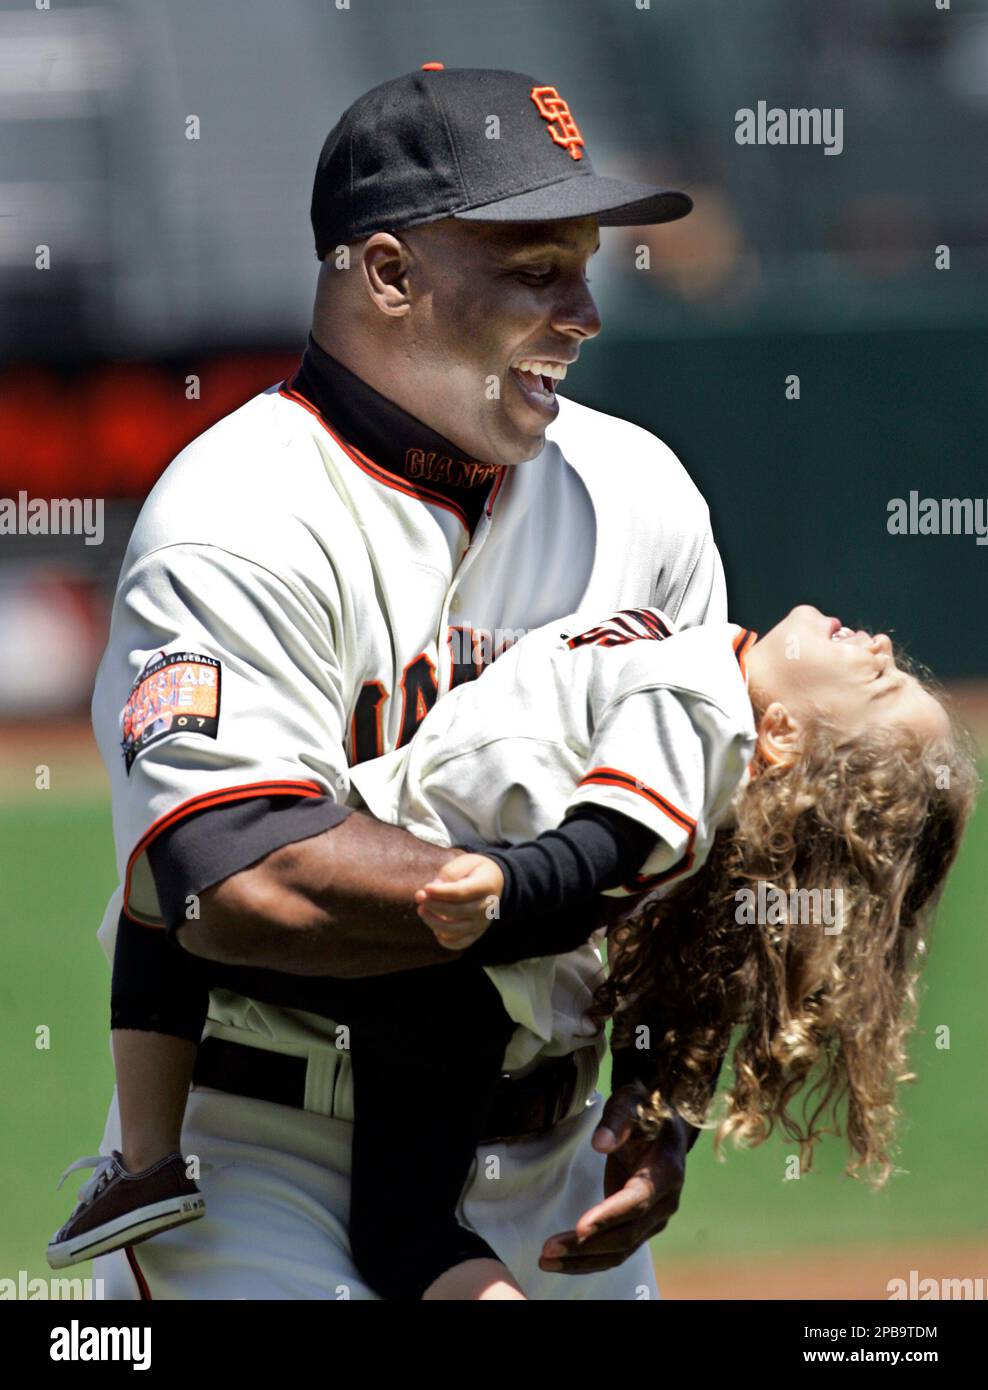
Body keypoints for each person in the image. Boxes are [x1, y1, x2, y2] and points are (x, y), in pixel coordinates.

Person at [80, 66, 734, 1301]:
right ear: (387, 275)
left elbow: (699, 841)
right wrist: (558, 880)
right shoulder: (234, 516)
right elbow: (246, 882)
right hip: (266, 1156)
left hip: (554, 1168)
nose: (583, 311)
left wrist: (663, 1090)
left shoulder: (641, 495)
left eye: (587, 265)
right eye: (536, 270)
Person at [51, 603, 975, 1299]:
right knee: (405, 1234)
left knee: (166, 885)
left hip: (413, 912)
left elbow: (604, 848)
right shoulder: (714, 680)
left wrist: (505, 892)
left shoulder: (703, 708)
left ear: (779, 736)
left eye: (881, 685)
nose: (885, 650)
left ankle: (145, 1164)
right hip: (471, 995)